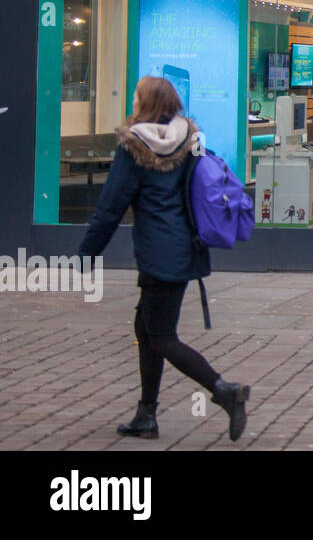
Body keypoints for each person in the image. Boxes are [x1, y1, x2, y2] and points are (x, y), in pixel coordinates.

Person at [78, 76, 251, 441]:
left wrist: (86, 255)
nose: (133, 101)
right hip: (185, 247)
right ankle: (146, 415)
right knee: (147, 329)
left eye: (137, 97)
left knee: (161, 337)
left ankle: (225, 392)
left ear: (146, 103)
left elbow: (111, 206)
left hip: (159, 254)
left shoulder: (134, 146)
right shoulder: (189, 143)